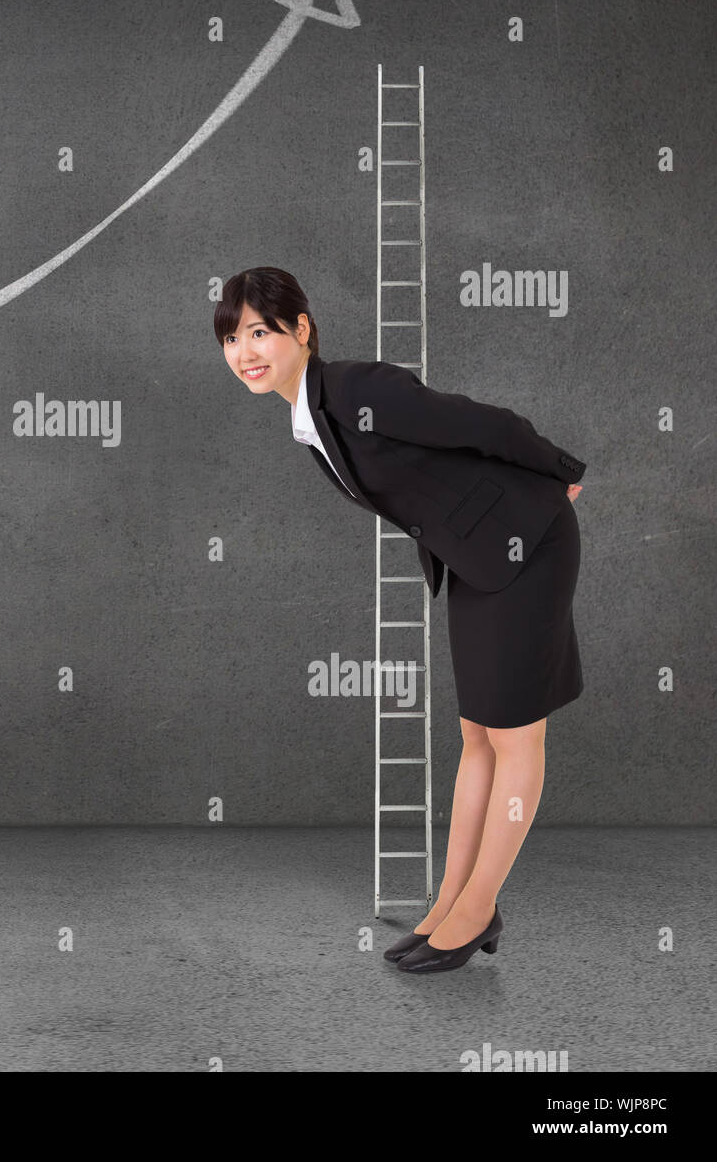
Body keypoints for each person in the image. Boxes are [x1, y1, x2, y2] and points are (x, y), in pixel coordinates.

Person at [216, 267, 586, 973]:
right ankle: (453, 900)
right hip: (477, 559)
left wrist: (560, 469)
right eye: (232, 338)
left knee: (515, 737)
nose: (246, 351)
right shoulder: (310, 419)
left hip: (526, 541)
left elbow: (484, 424)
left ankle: (478, 909)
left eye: (260, 331)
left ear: (303, 329)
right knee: (476, 733)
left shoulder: (356, 389)